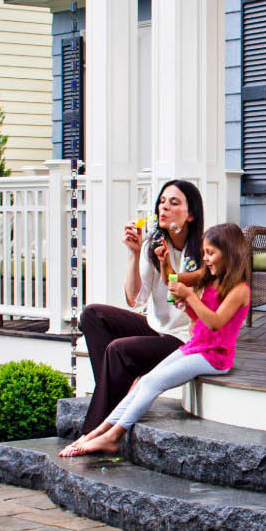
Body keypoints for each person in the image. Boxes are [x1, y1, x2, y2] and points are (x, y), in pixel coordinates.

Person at [59, 222, 250, 458]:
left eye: (211, 253)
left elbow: (214, 322)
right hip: (196, 346)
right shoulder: (209, 276)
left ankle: (113, 436)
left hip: (214, 357)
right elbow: (174, 281)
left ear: (230, 253)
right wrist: (165, 263)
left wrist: (190, 295)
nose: (206, 259)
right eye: (204, 253)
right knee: (143, 381)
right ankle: (95, 433)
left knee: (152, 383)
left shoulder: (240, 290)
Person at [68, 179, 204, 442]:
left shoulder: (201, 251)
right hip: (156, 329)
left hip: (183, 340)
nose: (164, 208)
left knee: (118, 349)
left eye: (174, 203)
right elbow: (135, 298)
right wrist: (134, 253)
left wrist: (166, 264)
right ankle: (118, 398)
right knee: (92, 315)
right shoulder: (153, 245)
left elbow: (181, 297)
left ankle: (92, 432)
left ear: (191, 214)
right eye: (162, 202)